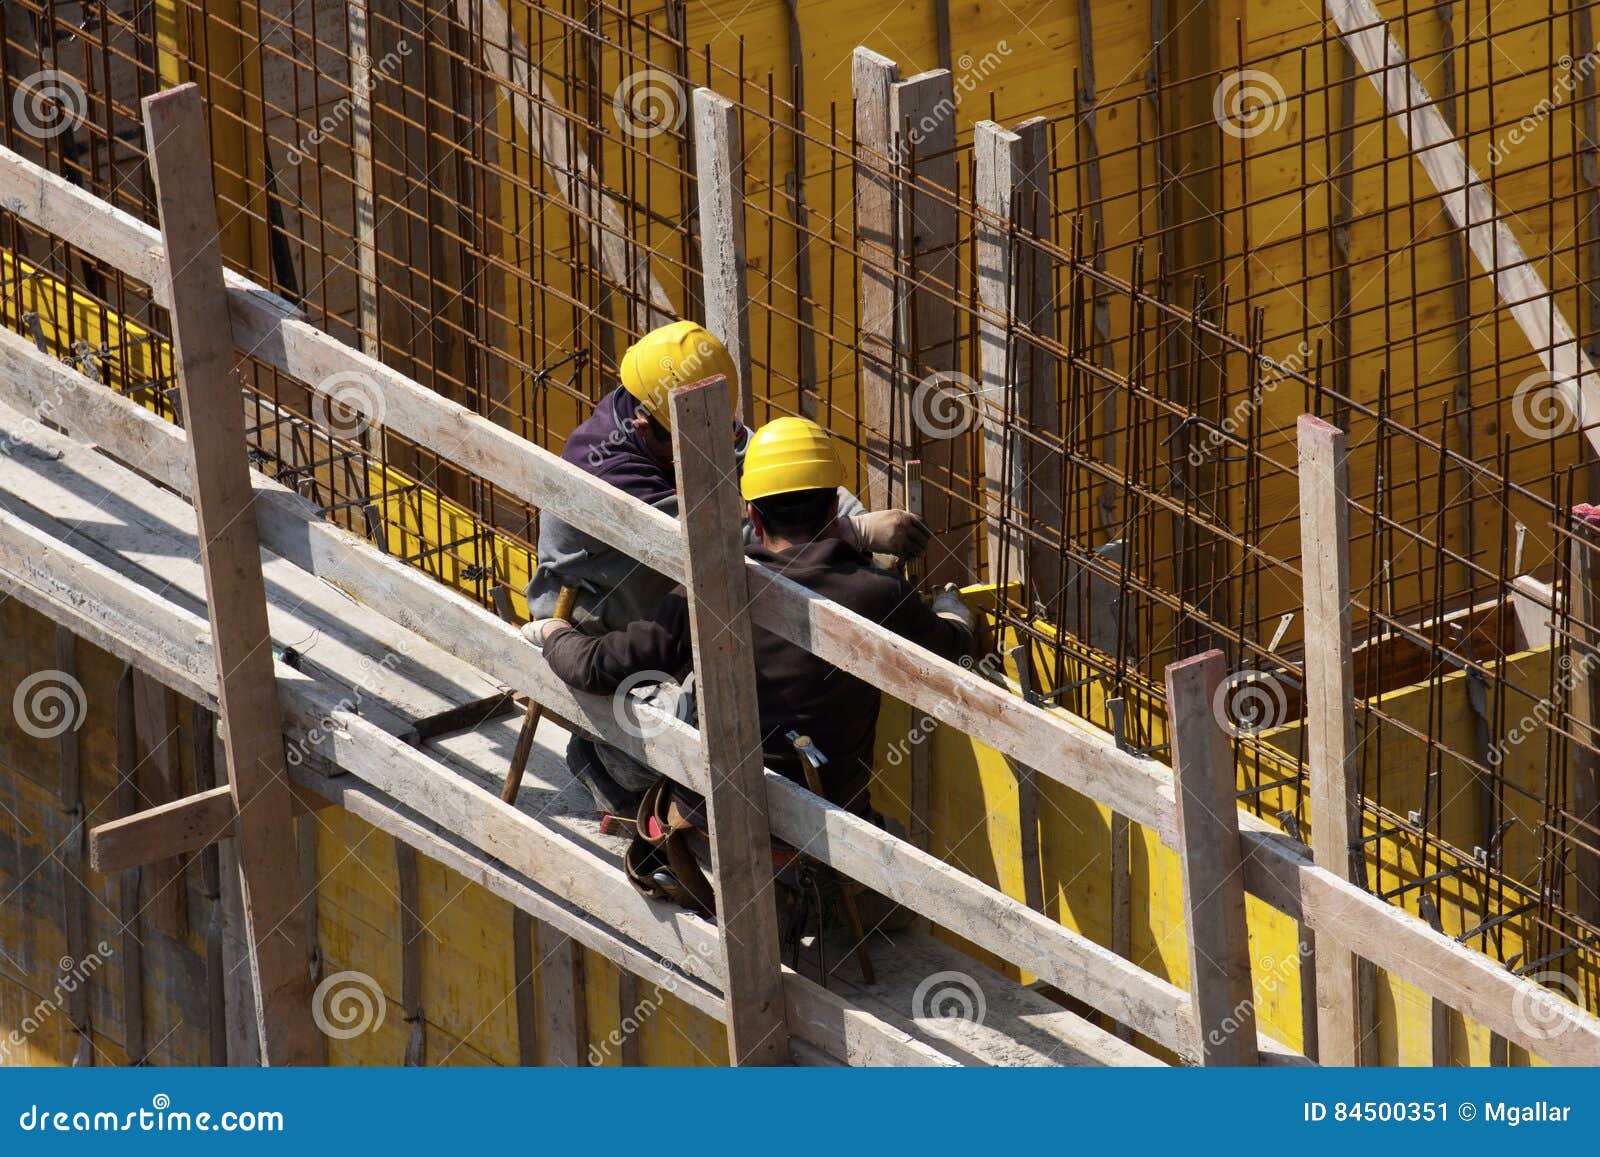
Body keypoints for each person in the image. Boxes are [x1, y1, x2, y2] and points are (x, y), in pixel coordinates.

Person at [524, 321, 933, 816]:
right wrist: (856, 533)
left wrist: (836, 505)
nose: (720, 442)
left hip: (664, 596)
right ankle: (610, 767)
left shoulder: (669, 411)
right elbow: (723, 540)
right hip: (601, 619)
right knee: (671, 711)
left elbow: (771, 473)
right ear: (642, 429)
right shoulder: (608, 471)